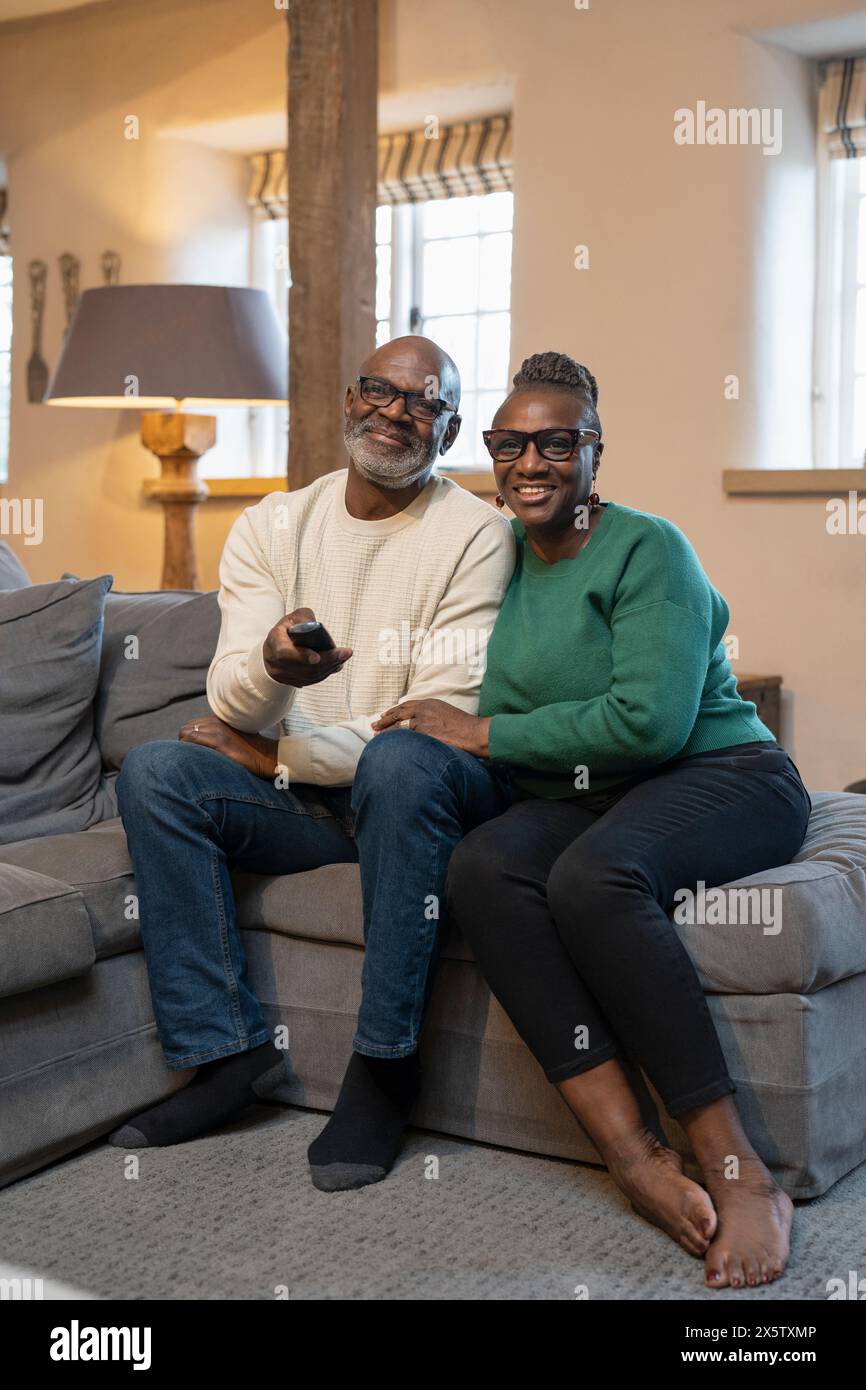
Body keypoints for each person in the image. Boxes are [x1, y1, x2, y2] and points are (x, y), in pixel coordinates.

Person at [370, 350, 811, 1289]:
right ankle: (632, 1153)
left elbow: (649, 723)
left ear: (594, 450)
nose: (529, 462)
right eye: (508, 443)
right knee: (485, 867)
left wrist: (484, 732)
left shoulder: (649, 547)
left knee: (592, 877)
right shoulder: (501, 561)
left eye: (555, 441)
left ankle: (741, 1174)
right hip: (592, 788)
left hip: (725, 772)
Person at [109, 335, 515, 1195]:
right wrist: (271, 672)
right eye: (380, 390)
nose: (396, 412)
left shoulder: (479, 536)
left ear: (447, 436)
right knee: (154, 773)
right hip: (305, 803)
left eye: (425, 403)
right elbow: (230, 696)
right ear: (348, 399)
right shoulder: (271, 524)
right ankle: (226, 1058)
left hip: (403, 799)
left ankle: (385, 1067)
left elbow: (438, 727)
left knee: (402, 762)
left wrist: (270, 753)